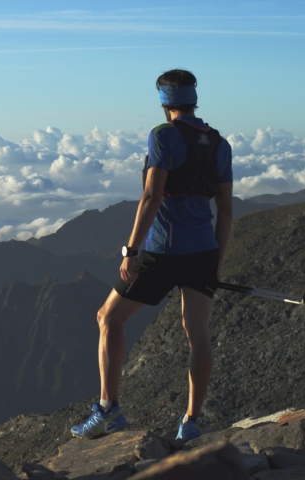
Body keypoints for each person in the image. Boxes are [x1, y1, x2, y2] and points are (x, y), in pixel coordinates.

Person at [70, 69, 234, 441]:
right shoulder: (221, 145)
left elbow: (152, 195)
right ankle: (191, 423)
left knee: (108, 317)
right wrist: (216, 263)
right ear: (193, 99)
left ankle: (108, 411)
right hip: (204, 252)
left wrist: (131, 250)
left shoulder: (163, 136)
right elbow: (225, 212)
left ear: (164, 102)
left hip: (163, 251)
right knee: (198, 335)